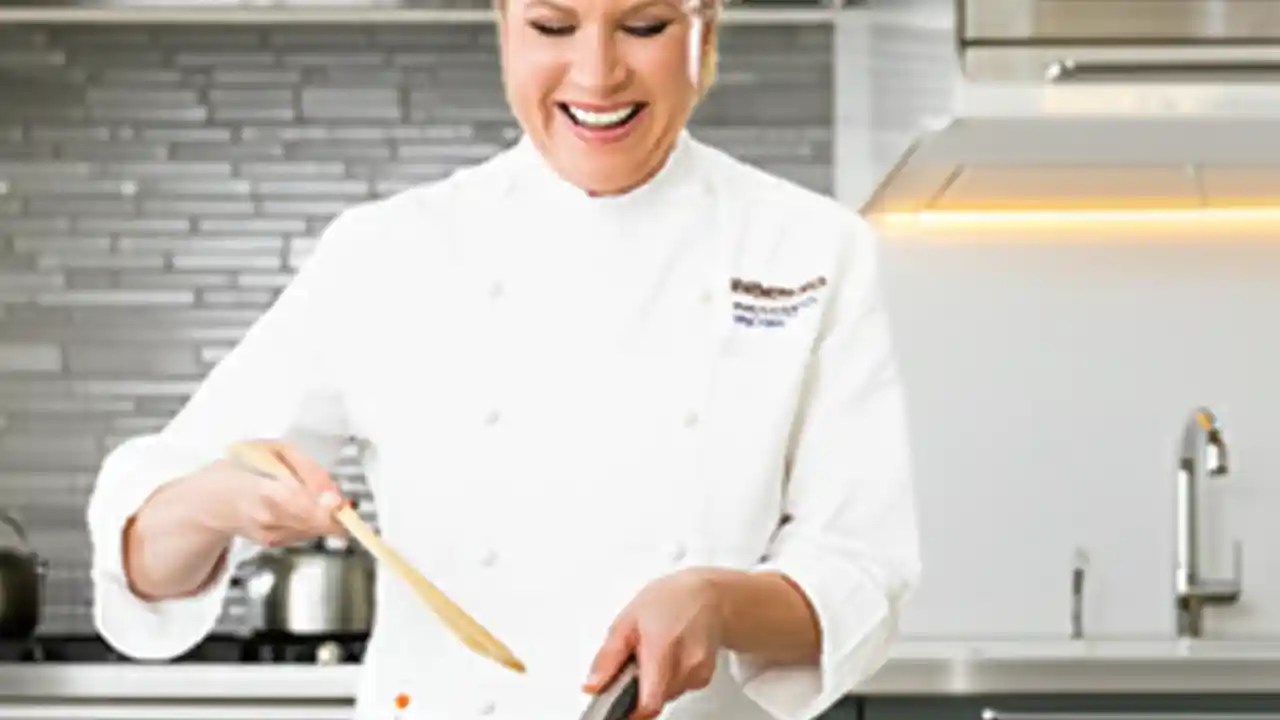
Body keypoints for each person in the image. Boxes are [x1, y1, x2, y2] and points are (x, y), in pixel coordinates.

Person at [85, 0, 921, 717]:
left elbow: (858, 573)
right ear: (503, 26)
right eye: (553, 24)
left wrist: (717, 600)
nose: (596, 75)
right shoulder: (390, 252)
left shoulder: (810, 248)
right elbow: (148, 564)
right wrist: (216, 504)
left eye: (644, 24)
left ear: (708, 27)